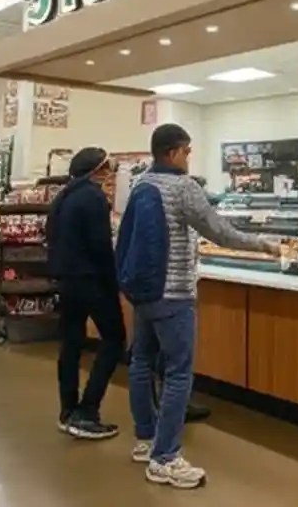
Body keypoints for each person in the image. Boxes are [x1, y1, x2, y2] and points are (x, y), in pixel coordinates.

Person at [116, 124, 281, 489]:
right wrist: (263, 244)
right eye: (187, 151)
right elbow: (218, 231)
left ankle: (146, 440)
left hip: (143, 292)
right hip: (173, 294)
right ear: (173, 152)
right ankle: (165, 458)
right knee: (178, 373)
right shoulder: (183, 187)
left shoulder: (143, 184)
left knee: (142, 362)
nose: (189, 157)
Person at [47, 147, 126, 440]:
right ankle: (88, 410)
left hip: (67, 281)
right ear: (99, 170)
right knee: (115, 339)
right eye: (108, 167)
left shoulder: (63, 196)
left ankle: (68, 410)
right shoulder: (93, 198)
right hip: (92, 281)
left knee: (70, 345)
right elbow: (101, 247)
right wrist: (114, 281)